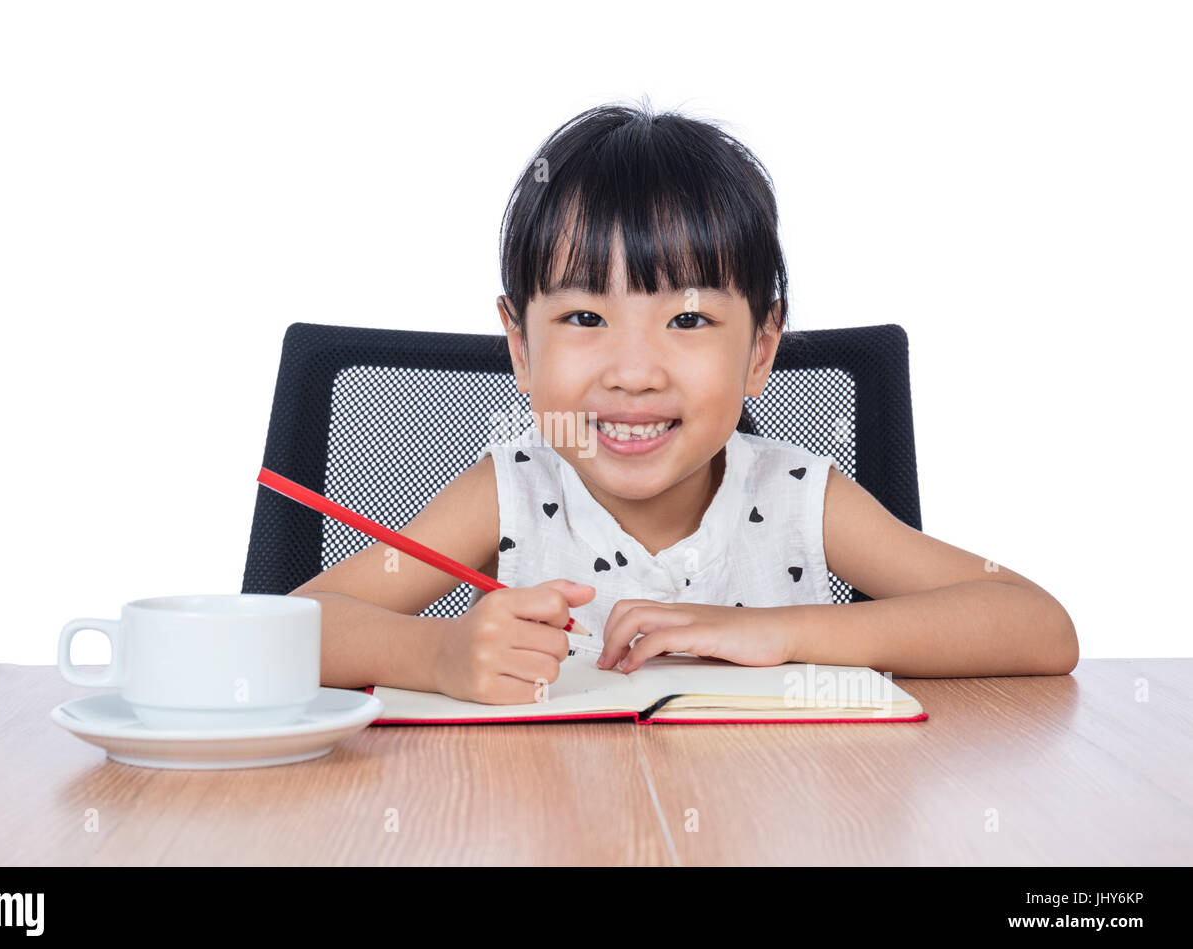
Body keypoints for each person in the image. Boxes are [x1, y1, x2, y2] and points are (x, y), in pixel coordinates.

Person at [292, 100, 1078, 704]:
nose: (635, 373)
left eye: (690, 320)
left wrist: (780, 634)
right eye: (585, 318)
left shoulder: (798, 496)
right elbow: (288, 630)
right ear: (521, 349)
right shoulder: (508, 493)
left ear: (761, 350)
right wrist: (435, 654)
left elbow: (1038, 626)